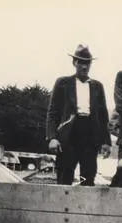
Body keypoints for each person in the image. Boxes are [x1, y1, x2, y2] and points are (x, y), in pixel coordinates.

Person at [46, 45, 111, 186]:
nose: (84, 66)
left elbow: (103, 116)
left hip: (89, 134)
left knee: (88, 179)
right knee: (64, 177)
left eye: (87, 63)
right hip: (69, 134)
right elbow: (53, 112)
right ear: (74, 62)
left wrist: (106, 142)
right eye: (81, 62)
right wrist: (52, 138)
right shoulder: (63, 83)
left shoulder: (97, 86)